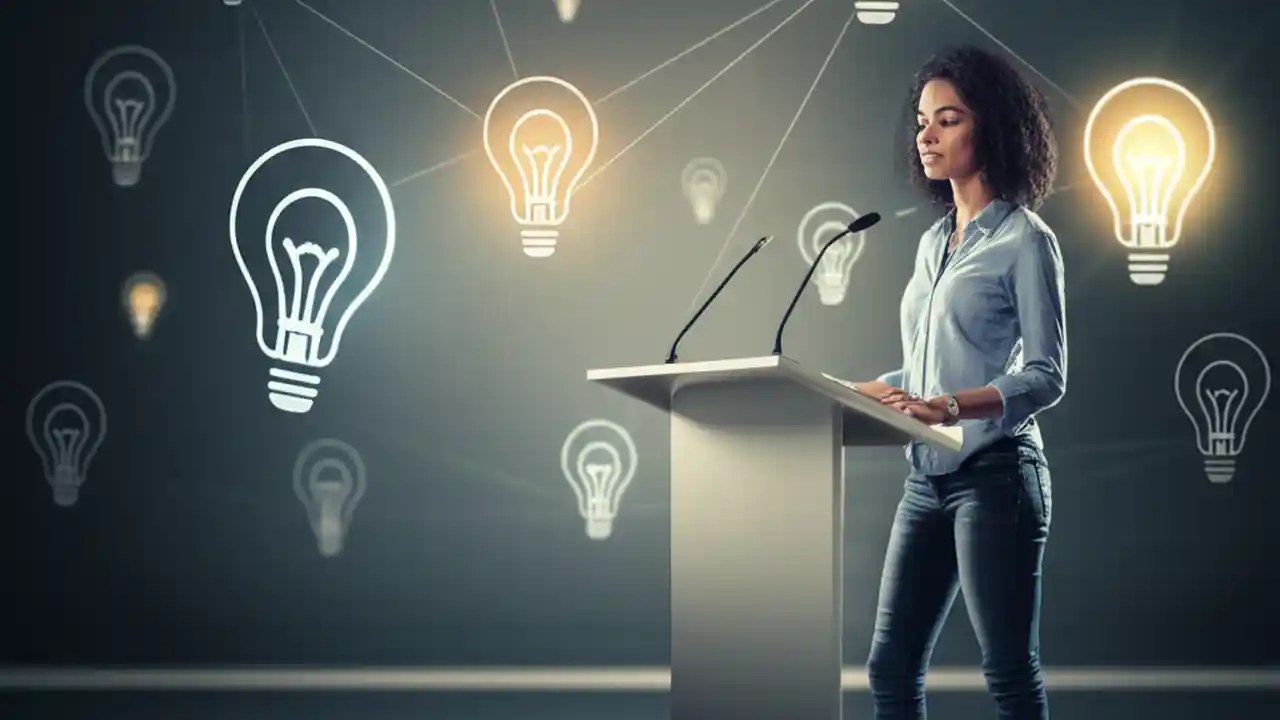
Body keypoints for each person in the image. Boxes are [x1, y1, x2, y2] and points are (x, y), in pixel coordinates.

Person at [852, 45, 1067, 720]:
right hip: (927, 479)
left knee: (1006, 674)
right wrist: (856, 389)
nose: (925, 134)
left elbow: (1045, 376)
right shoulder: (930, 243)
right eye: (922, 120)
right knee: (888, 669)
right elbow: (928, 366)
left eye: (947, 119)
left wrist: (947, 405)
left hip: (997, 475)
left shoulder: (1026, 241)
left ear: (992, 128)